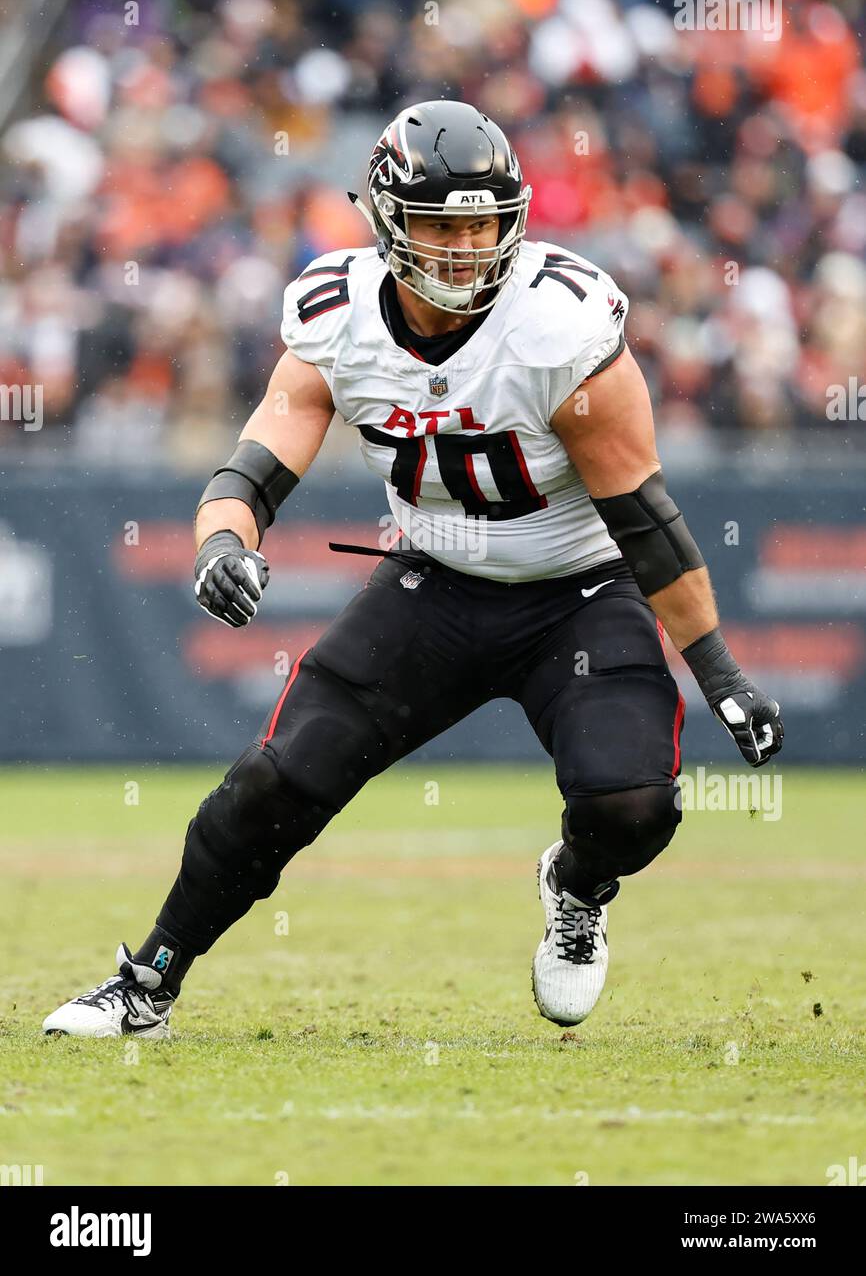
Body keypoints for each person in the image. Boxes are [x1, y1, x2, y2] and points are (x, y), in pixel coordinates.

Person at [43, 101, 783, 1039]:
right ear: (390, 222)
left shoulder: (558, 323)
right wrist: (221, 543)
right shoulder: (338, 312)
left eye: (485, 221)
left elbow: (646, 519)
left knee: (631, 803)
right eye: (443, 224)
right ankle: (148, 981)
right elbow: (255, 466)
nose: (470, 246)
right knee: (278, 783)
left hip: (582, 593)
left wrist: (719, 671)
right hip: (432, 584)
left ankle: (577, 884)